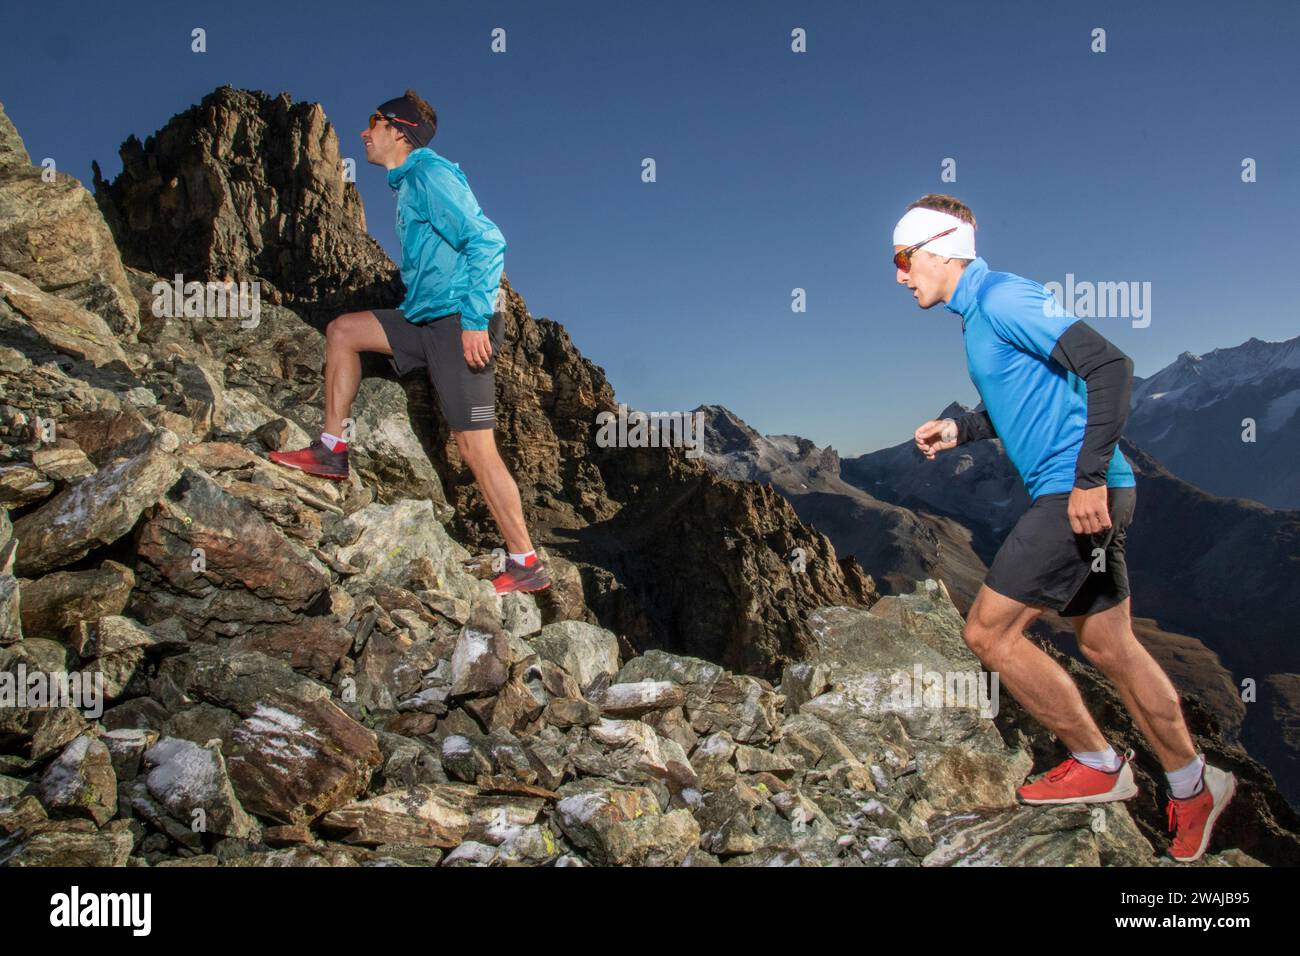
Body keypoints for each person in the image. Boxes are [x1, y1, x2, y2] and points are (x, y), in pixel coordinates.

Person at [895, 194, 1234, 862]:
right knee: (1111, 648)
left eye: (904, 259)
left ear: (941, 249)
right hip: (1097, 494)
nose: (900, 276)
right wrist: (960, 428)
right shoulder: (980, 317)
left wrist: (1086, 481)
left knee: (987, 634)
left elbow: (1109, 366)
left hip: (1077, 498)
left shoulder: (1002, 299)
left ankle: (1098, 764)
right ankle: (1195, 786)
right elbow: (1023, 400)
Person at [269, 90, 550, 595]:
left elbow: (487, 240)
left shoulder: (428, 174)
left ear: (399, 130)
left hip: (458, 321)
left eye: (373, 122)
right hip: (423, 318)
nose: (363, 131)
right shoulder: (408, 183)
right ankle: (332, 449)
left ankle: (525, 561)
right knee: (343, 332)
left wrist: (472, 321)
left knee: (474, 447)